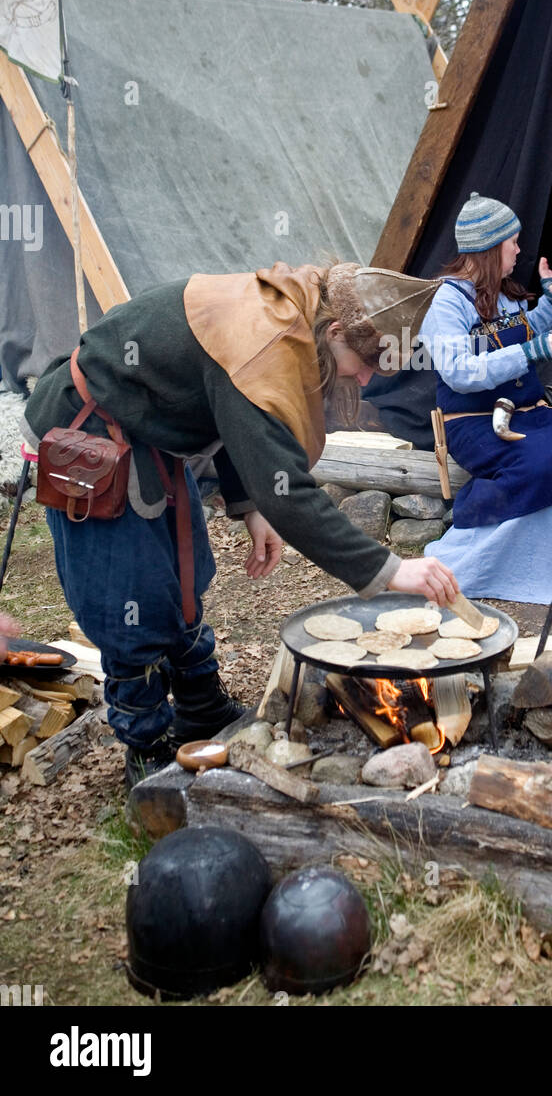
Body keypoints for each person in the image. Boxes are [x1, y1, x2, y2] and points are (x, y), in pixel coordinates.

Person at [21, 261, 458, 787]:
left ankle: (199, 708)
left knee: (185, 577)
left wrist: (249, 504)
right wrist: (388, 570)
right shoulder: (268, 337)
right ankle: (146, 748)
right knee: (130, 593)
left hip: (150, 429)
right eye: (363, 364)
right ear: (336, 332)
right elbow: (290, 491)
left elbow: (231, 403)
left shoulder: (300, 311)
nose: (364, 378)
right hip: (93, 426)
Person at [418, 192, 552, 603]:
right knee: (539, 461)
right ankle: (481, 564)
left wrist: (550, 305)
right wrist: (529, 352)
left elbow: (524, 330)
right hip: (473, 421)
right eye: (513, 242)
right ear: (489, 247)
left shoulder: (502, 292)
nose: (519, 250)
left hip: (523, 412)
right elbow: (460, 372)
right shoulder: (447, 303)